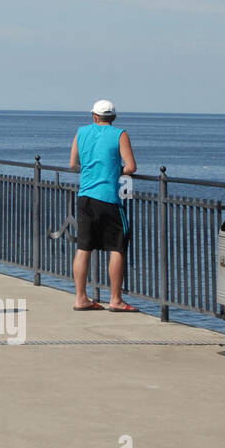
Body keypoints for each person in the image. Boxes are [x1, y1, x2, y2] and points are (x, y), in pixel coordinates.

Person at [70, 99, 138, 312]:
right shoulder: (120, 134)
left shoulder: (81, 132)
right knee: (116, 247)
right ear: (114, 118)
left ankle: (81, 298)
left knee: (83, 248)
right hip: (108, 197)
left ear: (94, 116)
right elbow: (131, 167)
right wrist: (116, 170)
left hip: (85, 197)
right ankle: (115, 300)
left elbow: (73, 164)